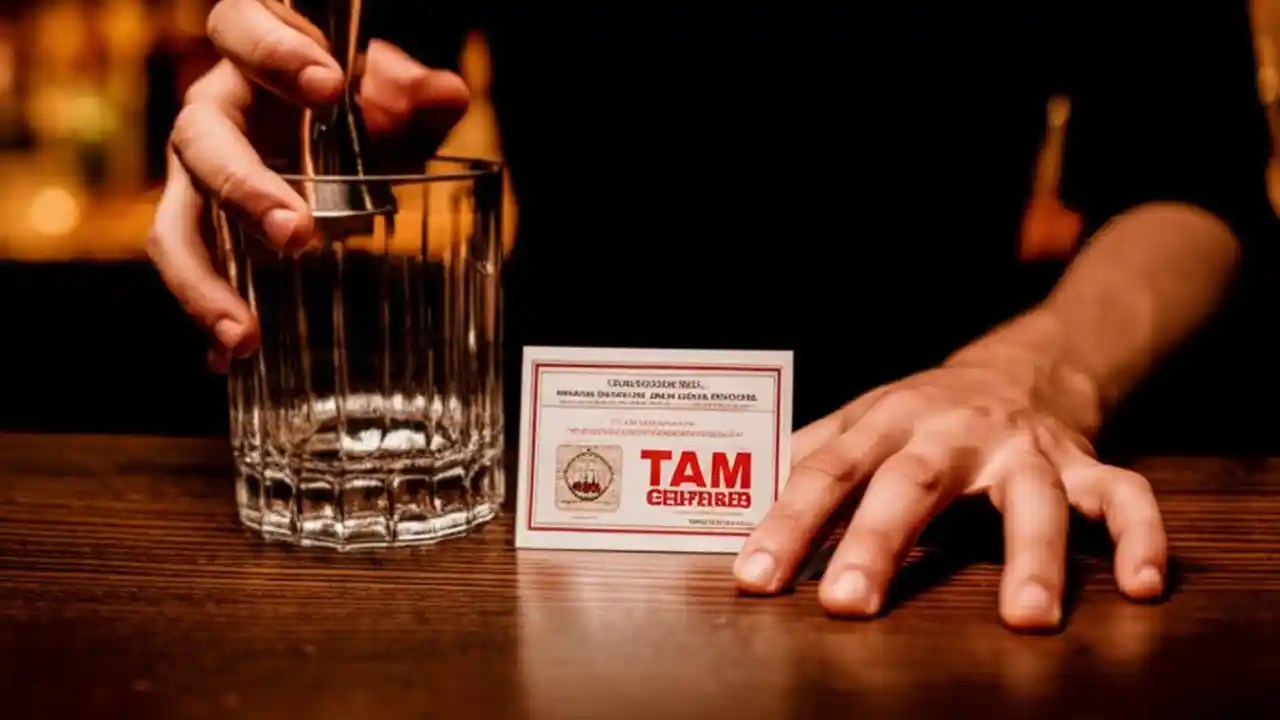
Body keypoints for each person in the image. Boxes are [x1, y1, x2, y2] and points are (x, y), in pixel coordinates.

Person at [147, 0, 1274, 631]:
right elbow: (362, 59)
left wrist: (1029, 374)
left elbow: (1191, 172)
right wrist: (307, 108)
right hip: (541, 515)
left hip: (946, 498)